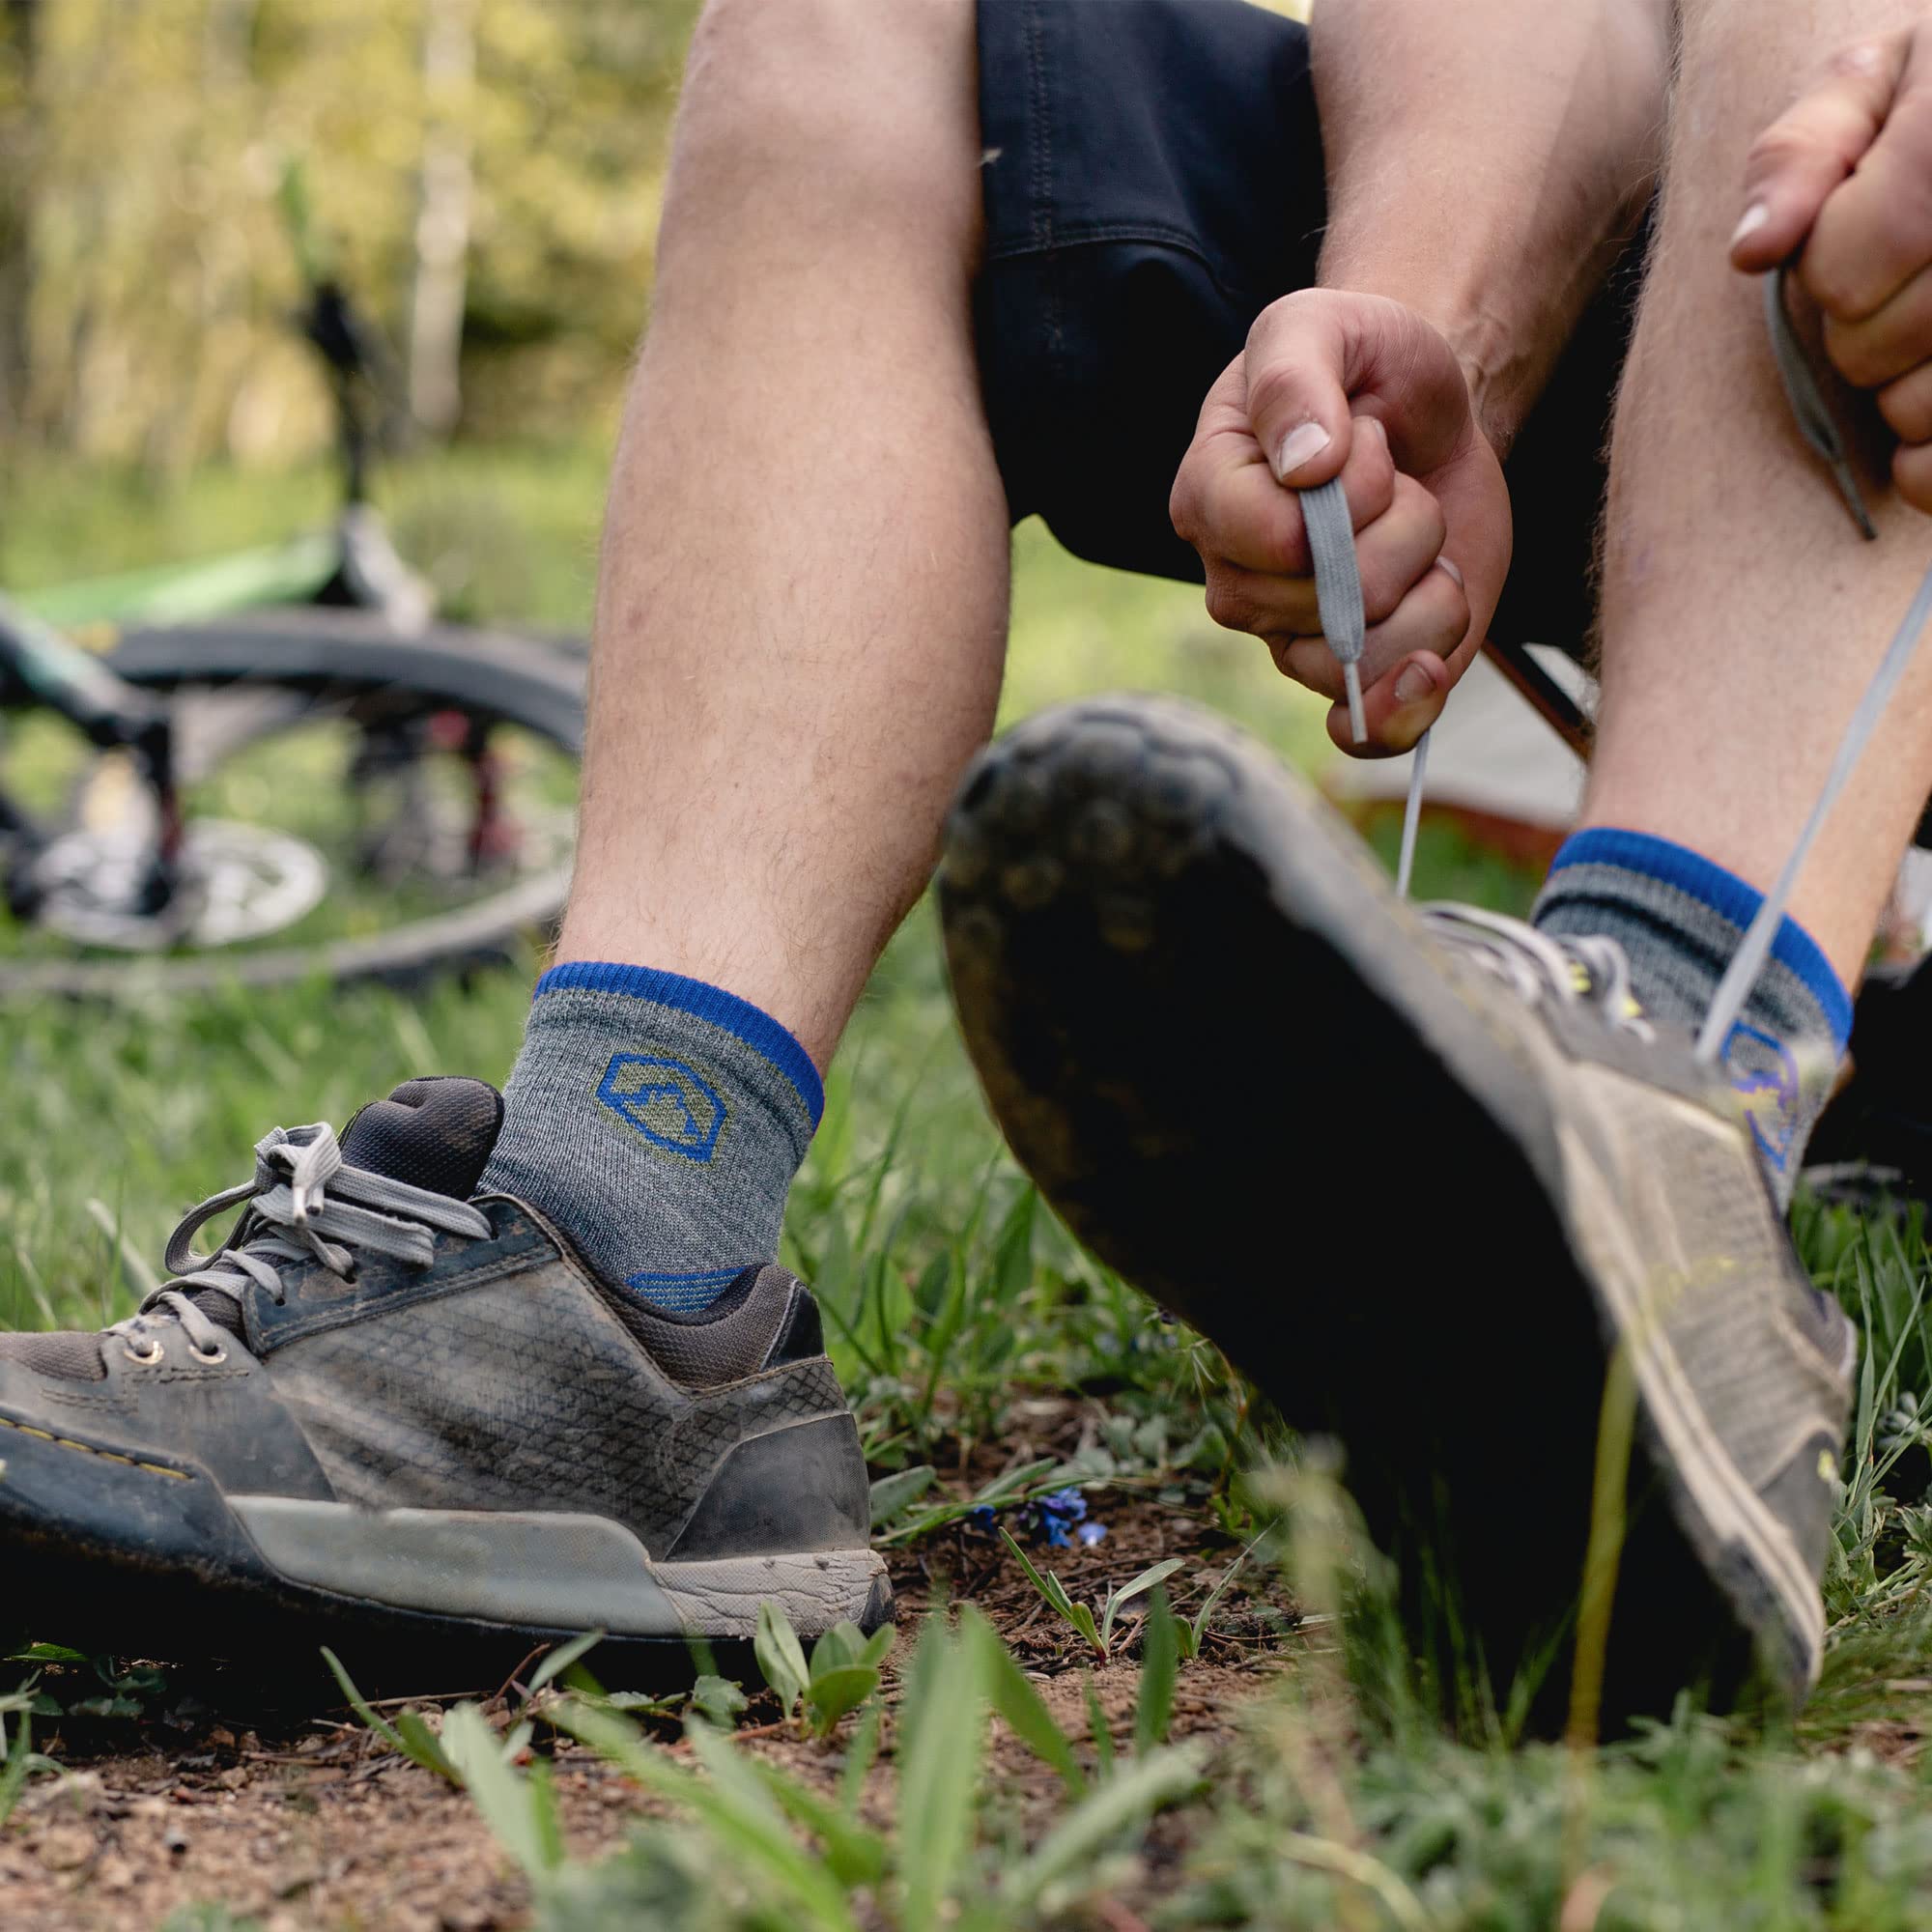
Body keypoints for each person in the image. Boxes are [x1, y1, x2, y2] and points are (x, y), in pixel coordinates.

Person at [5, 0, 1931, 1714]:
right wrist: (1421, 334)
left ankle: (1680, 1101)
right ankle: (617, 1261)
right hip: (1745, 353)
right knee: (860, 27)